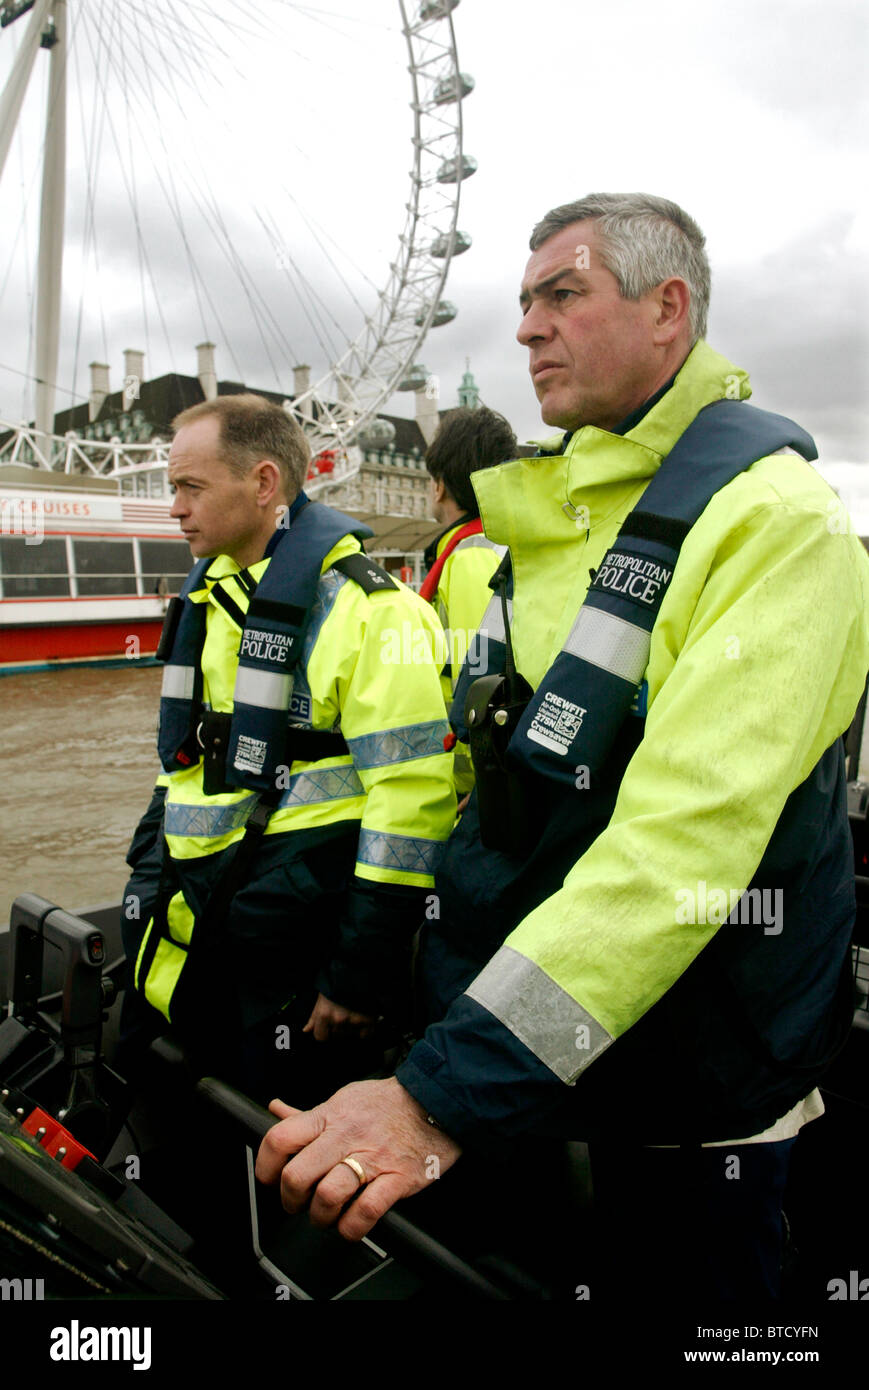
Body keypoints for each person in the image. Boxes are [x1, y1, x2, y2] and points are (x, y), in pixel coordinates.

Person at [256, 195, 869, 1298]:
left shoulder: (775, 524)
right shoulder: (544, 525)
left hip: (685, 1103)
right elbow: (491, 796)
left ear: (666, 309)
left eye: (562, 294)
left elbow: (678, 852)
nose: (528, 325)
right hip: (537, 1078)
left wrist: (438, 1091)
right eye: (524, 300)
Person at [121, 394, 455, 1106]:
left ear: (264, 483)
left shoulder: (376, 614)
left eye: (191, 487)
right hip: (188, 931)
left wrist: (358, 976)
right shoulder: (209, 603)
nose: (174, 509)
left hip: (291, 959)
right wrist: (148, 873)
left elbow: (412, 806)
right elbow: (181, 762)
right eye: (171, 488)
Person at [420, 407, 517, 792]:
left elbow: (482, 680)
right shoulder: (499, 543)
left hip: (468, 779)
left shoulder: (469, 557)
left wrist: (480, 784)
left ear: (439, 485)